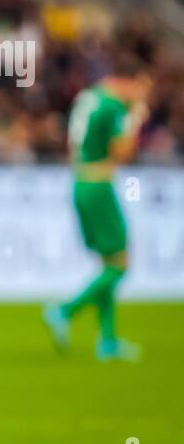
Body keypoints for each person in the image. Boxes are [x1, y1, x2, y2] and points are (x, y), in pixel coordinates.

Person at [44, 46, 154, 362]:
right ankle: (65, 310)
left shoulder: (88, 97)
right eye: (141, 86)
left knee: (108, 262)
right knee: (121, 263)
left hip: (80, 180)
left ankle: (107, 342)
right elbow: (122, 154)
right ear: (129, 80)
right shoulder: (115, 107)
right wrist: (135, 120)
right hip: (99, 184)